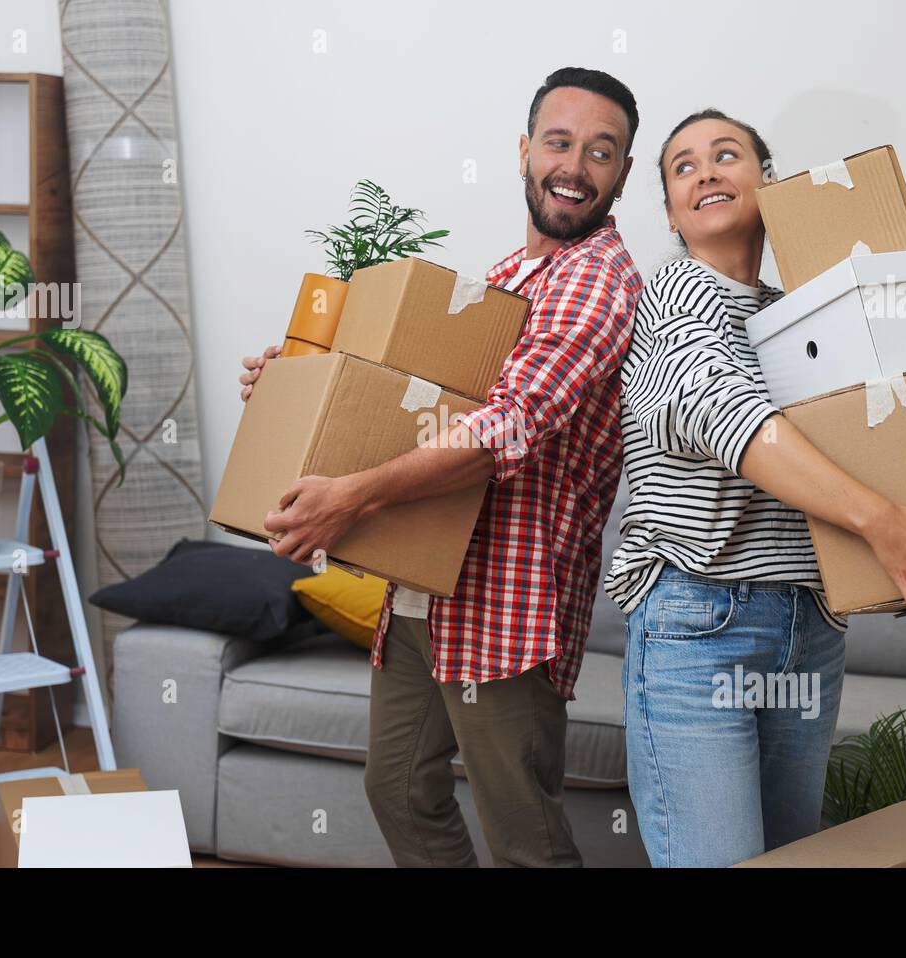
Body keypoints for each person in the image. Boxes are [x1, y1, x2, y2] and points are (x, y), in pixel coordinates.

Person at [605, 108, 906, 868]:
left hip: (810, 630)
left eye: (727, 155)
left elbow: (888, 452)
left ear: (769, 181)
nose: (707, 172)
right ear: (670, 213)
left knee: (790, 861)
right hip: (702, 625)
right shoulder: (672, 298)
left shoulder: (799, 319)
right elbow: (729, 416)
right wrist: (884, 522)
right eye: (683, 167)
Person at [238, 67, 644, 866]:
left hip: (508, 606)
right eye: (558, 143)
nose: (574, 167)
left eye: (600, 153)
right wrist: (299, 385)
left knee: (525, 840)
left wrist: (352, 497)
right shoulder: (507, 276)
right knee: (398, 790)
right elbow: (414, 404)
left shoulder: (599, 281)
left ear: (623, 174)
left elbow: (503, 426)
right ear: (524, 151)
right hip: (425, 587)